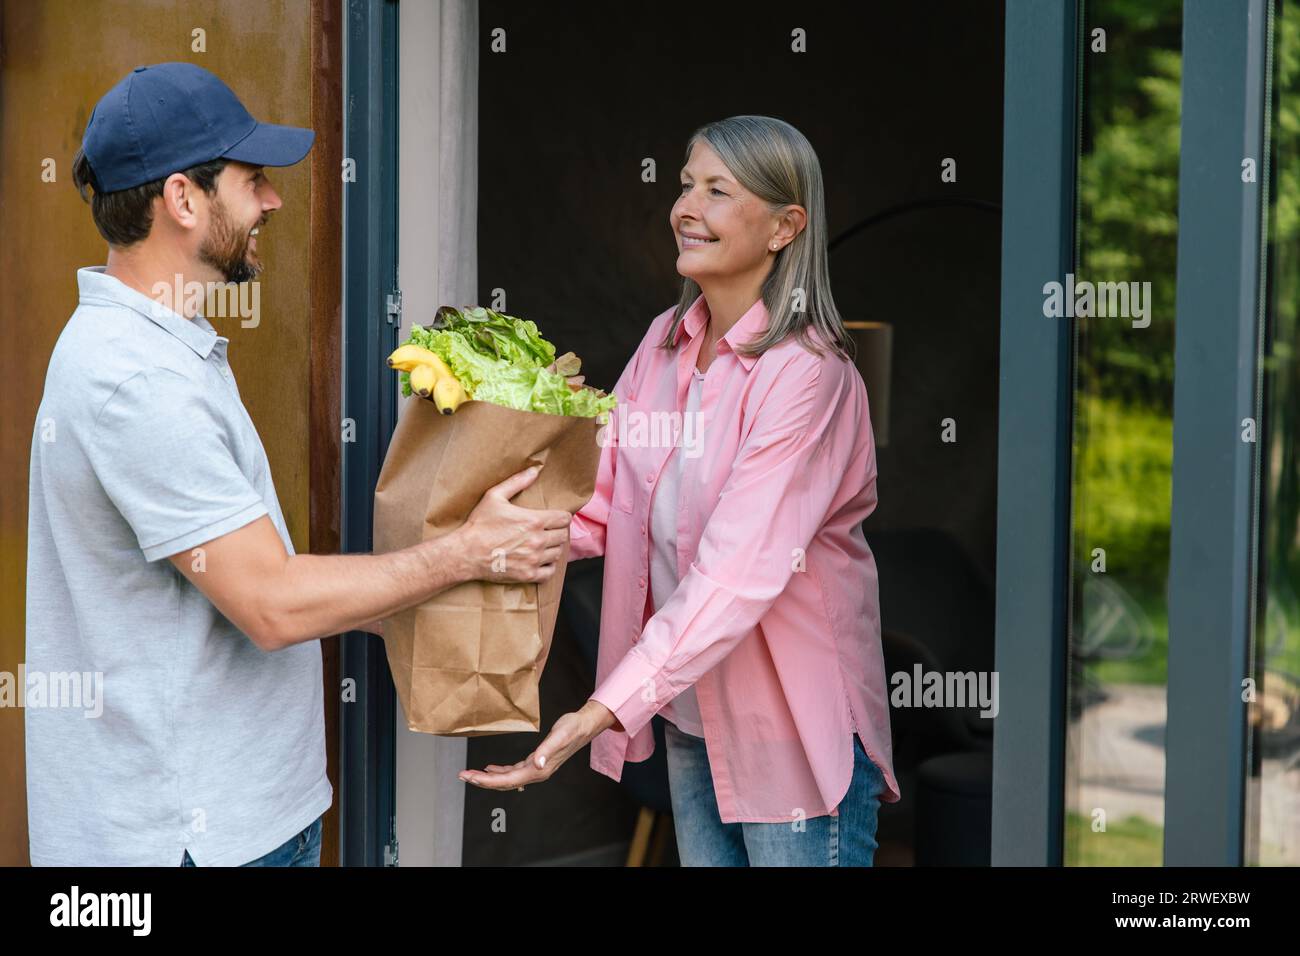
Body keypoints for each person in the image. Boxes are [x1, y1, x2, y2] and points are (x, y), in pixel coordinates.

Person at [24, 63, 570, 867]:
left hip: (227, 820)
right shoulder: (136, 381)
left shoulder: (158, 348)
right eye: (252, 181)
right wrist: (466, 551)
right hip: (192, 839)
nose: (274, 201)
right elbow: (271, 604)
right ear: (182, 199)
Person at [459, 115, 900, 866]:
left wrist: (599, 711)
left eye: (718, 190)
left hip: (793, 732)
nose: (685, 207)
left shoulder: (808, 376)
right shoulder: (665, 342)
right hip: (691, 719)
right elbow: (602, 504)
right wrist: (473, 537)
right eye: (685, 184)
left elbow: (734, 576)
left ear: (784, 226)